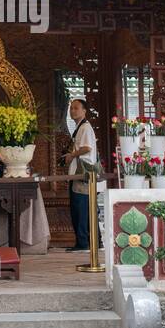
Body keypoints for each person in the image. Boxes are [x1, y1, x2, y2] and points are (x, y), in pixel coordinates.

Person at [63, 98, 97, 252]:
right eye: (71, 108)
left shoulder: (85, 128)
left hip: (81, 174)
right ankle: (94, 241)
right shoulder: (80, 128)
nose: (72, 111)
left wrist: (72, 155)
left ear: (84, 111)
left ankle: (83, 243)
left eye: (76, 108)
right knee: (85, 208)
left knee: (81, 209)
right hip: (78, 173)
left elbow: (87, 148)